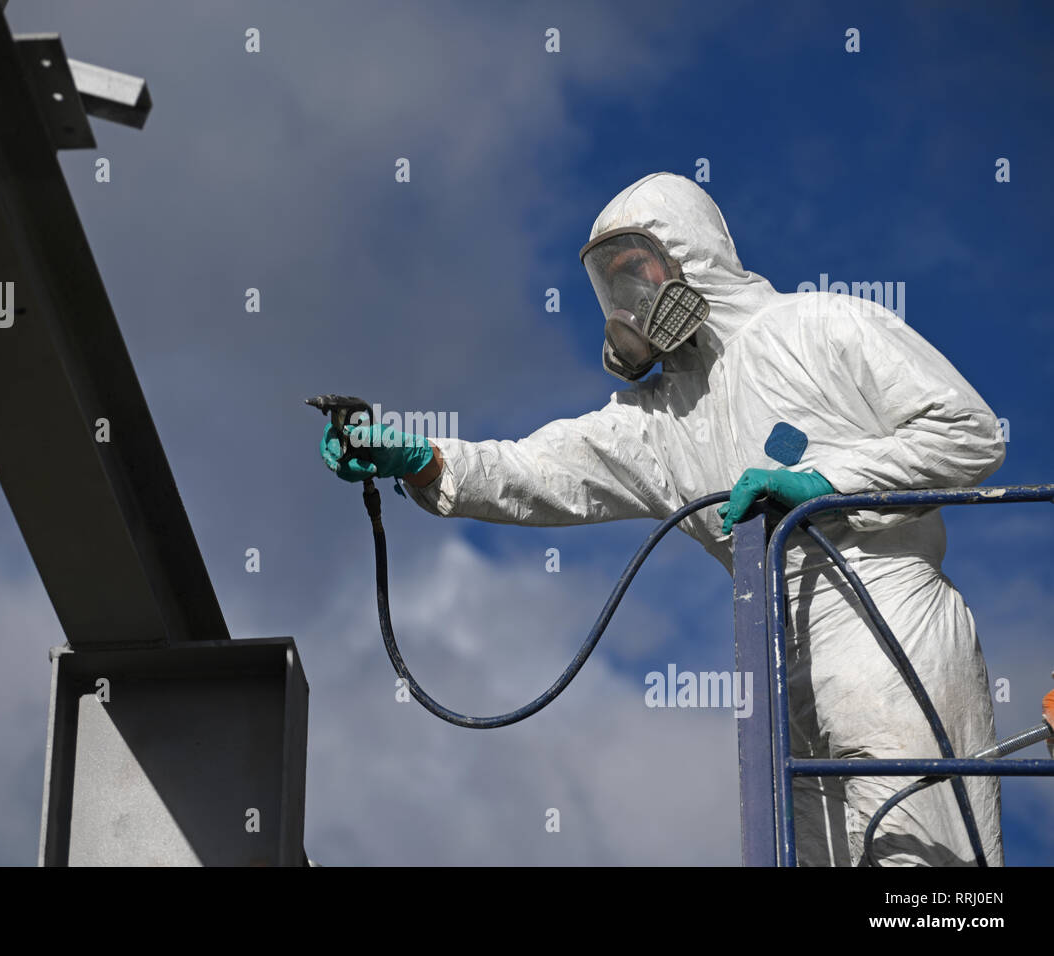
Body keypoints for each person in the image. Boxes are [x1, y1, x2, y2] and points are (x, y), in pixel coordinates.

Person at [319, 172, 1006, 867]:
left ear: (690, 254)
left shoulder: (820, 326)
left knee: (922, 866)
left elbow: (969, 433)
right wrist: (418, 456)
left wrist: (827, 485)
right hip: (778, 658)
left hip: (889, 611)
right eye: (611, 287)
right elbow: (534, 469)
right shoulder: (655, 423)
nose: (628, 303)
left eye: (635, 272)